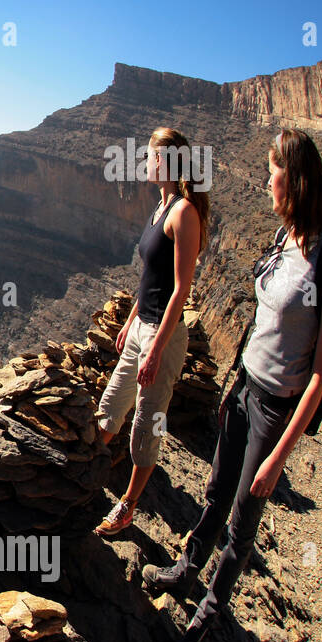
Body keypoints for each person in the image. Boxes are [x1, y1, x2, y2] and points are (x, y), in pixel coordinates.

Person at [144, 128, 322, 642]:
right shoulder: (283, 240)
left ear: (295, 179)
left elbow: (321, 375)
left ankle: (209, 616)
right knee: (215, 491)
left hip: (278, 408)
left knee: (241, 519)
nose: (263, 183)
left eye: (271, 174)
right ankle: (186, 573)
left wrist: (279, 455)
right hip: (244, 389)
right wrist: (233, 382)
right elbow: (260, 322)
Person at [93, 127, 209, 536]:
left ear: (172, 163)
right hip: (141, 327)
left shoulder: (184, 213)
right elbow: (150, 277)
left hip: (164, 335)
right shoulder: (158, 209)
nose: (147, 163)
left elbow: (180, 289)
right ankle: (84, 474)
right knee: (111, 405)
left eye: (153, 157)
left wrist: (156, 349)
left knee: (147, 425)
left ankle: (127, 505)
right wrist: (129, 322)